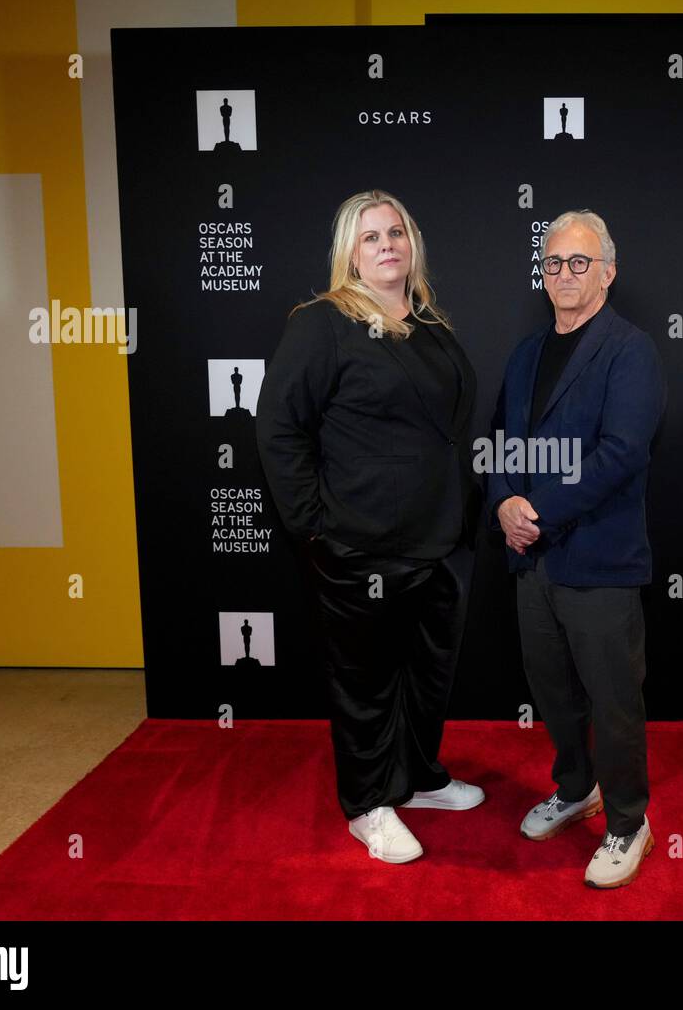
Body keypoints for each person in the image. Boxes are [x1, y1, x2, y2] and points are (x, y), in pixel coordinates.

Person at [255, 189, 483, 865]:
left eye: (395, 233)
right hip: (361, 545)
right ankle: (368, 803)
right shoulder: (323, 324)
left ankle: (413, 779)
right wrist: (314, 525)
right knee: (366, 680)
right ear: (349, 254)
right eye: (369, 237)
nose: (386, 245)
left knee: (426, 674)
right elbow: (278, 426)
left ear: (412, 244)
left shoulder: (430, 327)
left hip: (440, 542)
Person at [488, 209, 666, 888]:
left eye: (580, 262)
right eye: (555, 262)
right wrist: (504, 500)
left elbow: (621, 453)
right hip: (532, 562)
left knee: (614, 700)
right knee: (552, 691)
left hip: (599, 561)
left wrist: (538, 513)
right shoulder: (528, 351)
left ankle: (629, 822)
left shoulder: (630, 349)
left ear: (608, 270)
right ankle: (576, 788)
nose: (565, 273)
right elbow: (499, 437)